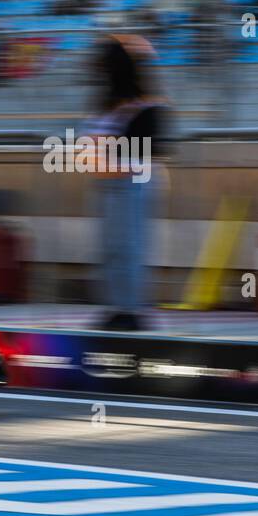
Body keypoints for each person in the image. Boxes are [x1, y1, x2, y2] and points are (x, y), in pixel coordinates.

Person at [85, 34, 169, 332]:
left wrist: (103, 148)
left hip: (131, 182)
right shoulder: (107, 105)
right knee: (111, 249)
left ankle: (131, 310)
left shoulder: (143, 105)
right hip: (109, 184)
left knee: (129, 248)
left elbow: (147, 149)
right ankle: (116, 306)